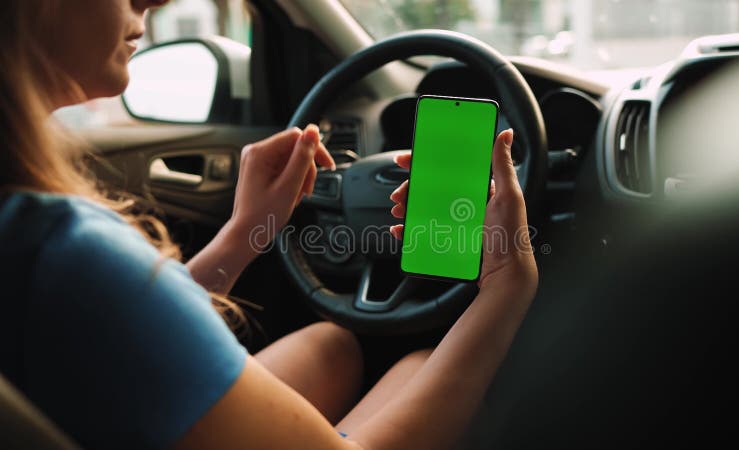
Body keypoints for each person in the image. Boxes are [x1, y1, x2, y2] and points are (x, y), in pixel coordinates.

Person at [0, 1, 539, 449]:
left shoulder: (28, 233)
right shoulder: (68, 253)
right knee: (416, 365)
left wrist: (246, 231)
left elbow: (121, 333)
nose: (156, 0)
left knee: (334, 344)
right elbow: (111, 305)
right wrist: (505, 286)